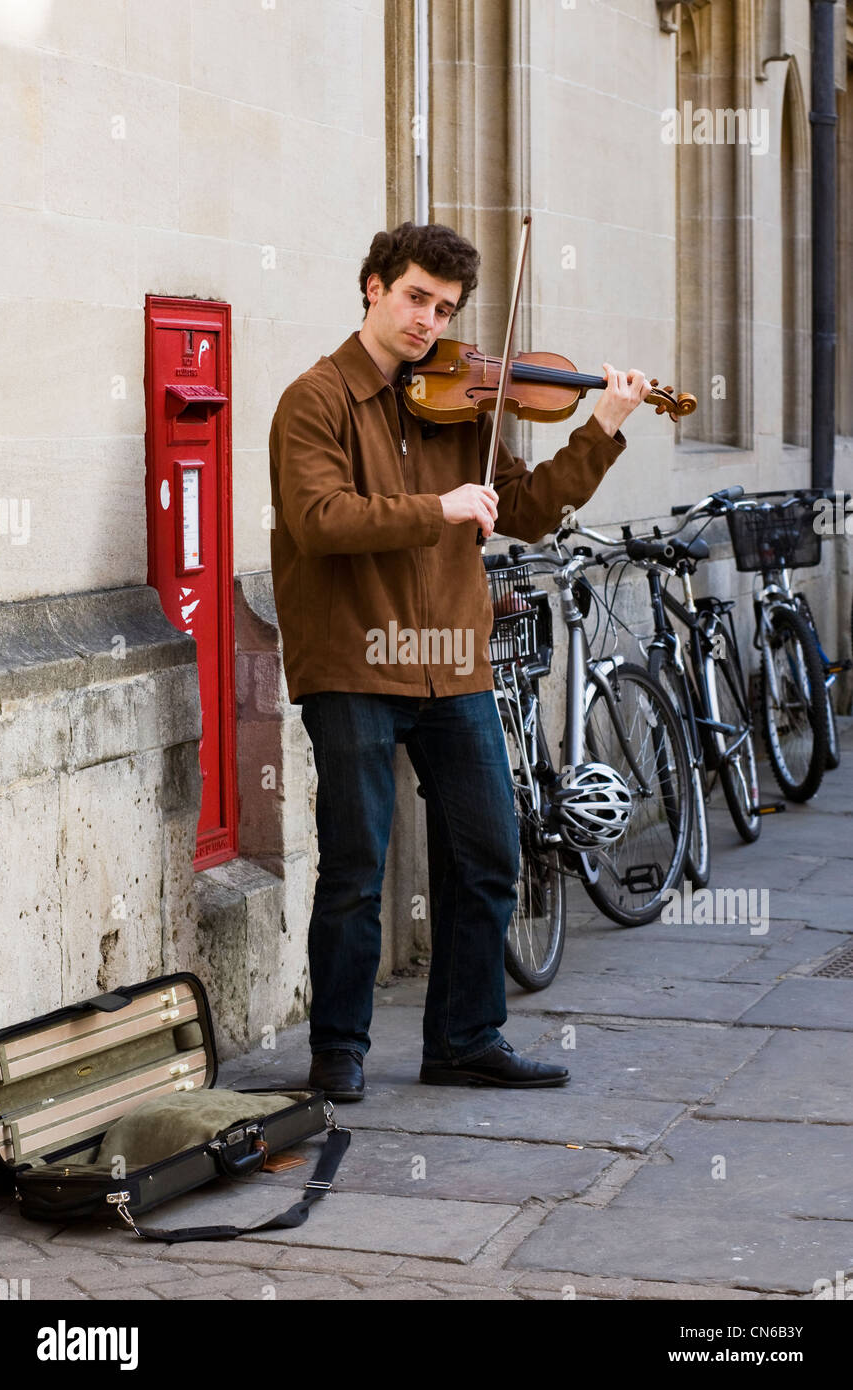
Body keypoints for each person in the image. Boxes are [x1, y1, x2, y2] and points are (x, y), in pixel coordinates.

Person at [269, 222, 651, 1101]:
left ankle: (466, 1039)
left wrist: (602, 427)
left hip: (452, 658)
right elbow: (319, 518)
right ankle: (339, 1050)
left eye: (444, 309)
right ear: (373, 286)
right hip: (357, 659)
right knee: (356, 865)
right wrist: (436, 507)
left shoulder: (463, 403)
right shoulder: (316, 399)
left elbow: (519, 509)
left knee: (489, 853)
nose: (429, 323)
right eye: (415, 298)